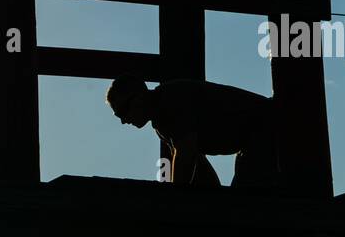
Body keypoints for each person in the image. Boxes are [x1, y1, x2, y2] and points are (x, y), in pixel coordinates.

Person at [105, 76, 280, 188]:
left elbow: (186, 154)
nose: (123, 120)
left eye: (123, 111)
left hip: (269, 128)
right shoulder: (162, 123)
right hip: (259, 135)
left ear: (139, 96)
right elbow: (195, 162)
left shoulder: (170, 102)